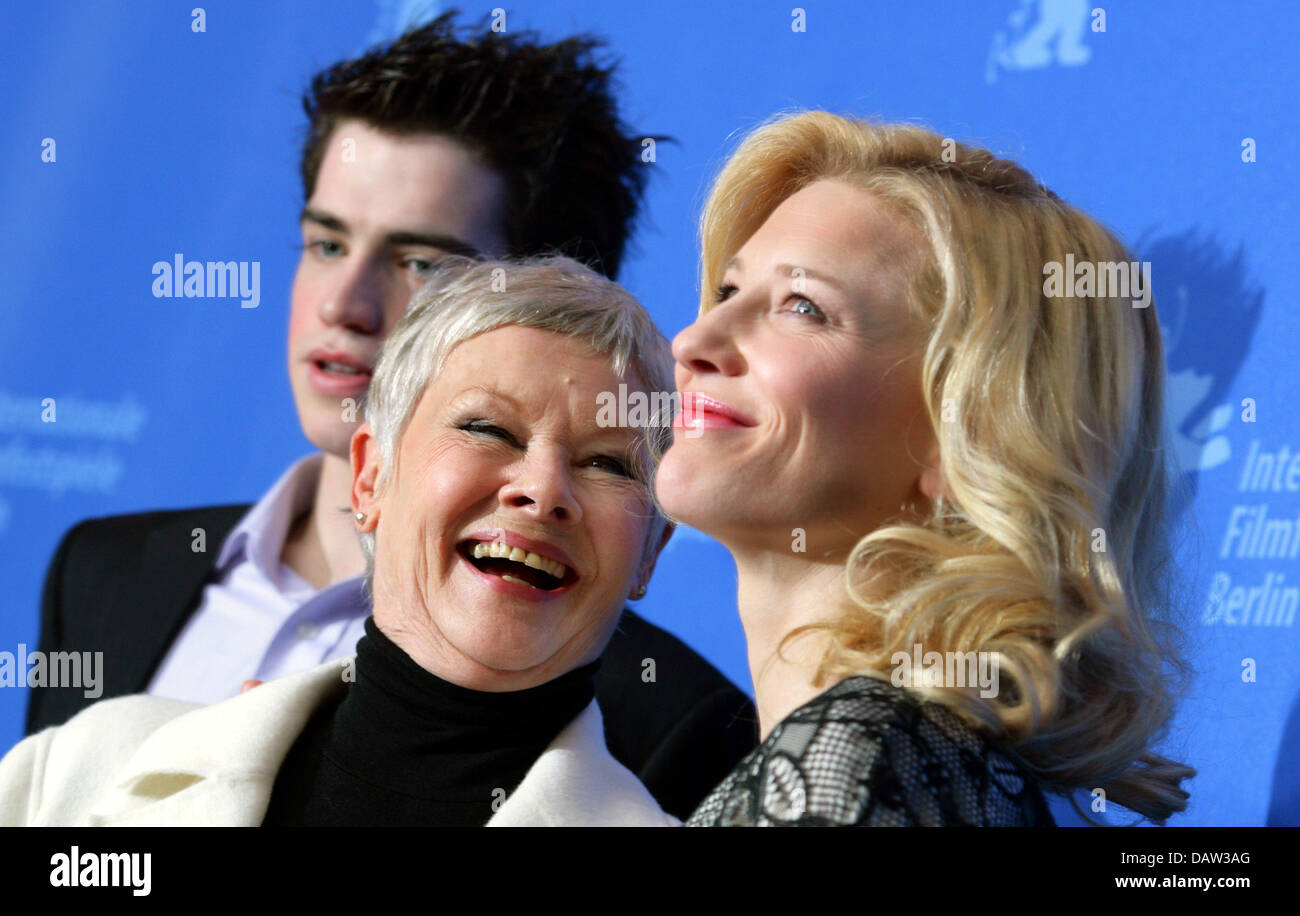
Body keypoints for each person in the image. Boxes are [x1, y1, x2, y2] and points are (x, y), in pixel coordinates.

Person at [25, 12, 756, 821]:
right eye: (328, 243)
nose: (345, 304)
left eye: (420, 264)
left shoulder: (678, 722)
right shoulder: (106, 581)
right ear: (372, 470)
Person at [1, 256, 683, 827]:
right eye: (488, 430)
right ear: (369, 479)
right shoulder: (75, 773)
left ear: (651, 549)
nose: (543, 489)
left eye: (607, 464)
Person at [655, 111, 1196, 826]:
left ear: (967, 432)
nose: (695, 338)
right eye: (728, 292)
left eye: (803, 306)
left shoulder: (855, 764)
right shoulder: (897, 756)